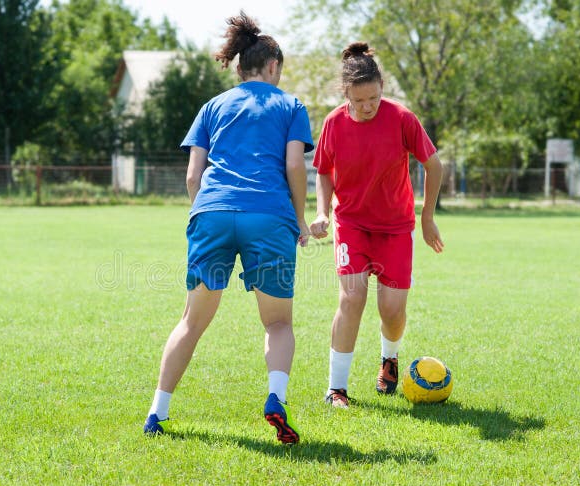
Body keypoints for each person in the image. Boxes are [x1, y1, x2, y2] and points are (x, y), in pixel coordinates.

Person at [143, 12, 314, 443]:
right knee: (277, 323)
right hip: (269, 218)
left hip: (212, 212)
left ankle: (157, 413)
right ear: (273, 66)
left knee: (191, 321)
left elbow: (191, 177)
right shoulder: (290, 106)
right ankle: (276, 399)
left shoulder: (212, 107)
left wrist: (203, 216)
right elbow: (295, 164)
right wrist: (300, 220)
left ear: (239, 68)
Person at [310, 42, 444, 408]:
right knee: (352, 298)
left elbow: (434, 165)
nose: (367, 106)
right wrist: (323, 213)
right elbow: (323, 170)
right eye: (359, 100)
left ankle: (390, 358)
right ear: (346, 95)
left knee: (392, 310)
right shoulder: (334, 123)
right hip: (351, 224)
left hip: (396, 228)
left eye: (373, 97)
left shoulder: (402, 118)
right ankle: (336, 388)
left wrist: (427, 217)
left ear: (381, 86)